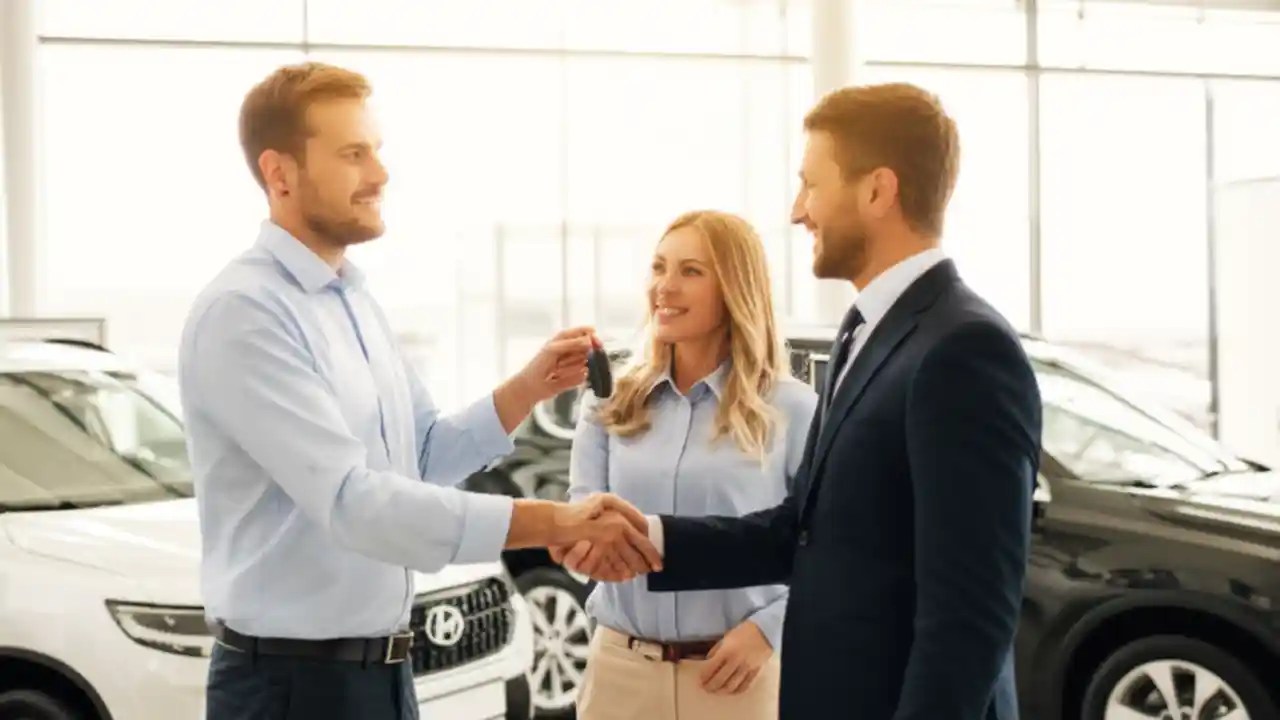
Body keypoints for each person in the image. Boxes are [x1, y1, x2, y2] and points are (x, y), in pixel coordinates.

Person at [178, 61, 660, 720]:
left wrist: (526, 389)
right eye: (354, 154)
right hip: (290, 686)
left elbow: (424, 455)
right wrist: (553, 522)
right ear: (279, 173)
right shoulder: (245, 312)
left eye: (376, 151)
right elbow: (353, 501)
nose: (380, 174)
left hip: (383, 674)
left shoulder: (353, 300)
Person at [561, 83, 1043, 719]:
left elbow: (972, 616)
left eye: (811, 184)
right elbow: (803, 533)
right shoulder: (864, 336)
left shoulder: (964, 347)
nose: (797, 211)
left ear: (877, 191)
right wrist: (648, 534)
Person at [563, 210, 818, 720]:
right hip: (620, 676)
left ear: (735, 289)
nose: (665, 286)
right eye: (659, 267)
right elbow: (581, 527)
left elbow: (828, 549)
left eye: (691, 271)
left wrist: (769, 630)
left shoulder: (793, 409)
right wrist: (582, 546)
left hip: (739, 681)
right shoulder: (610, 404)